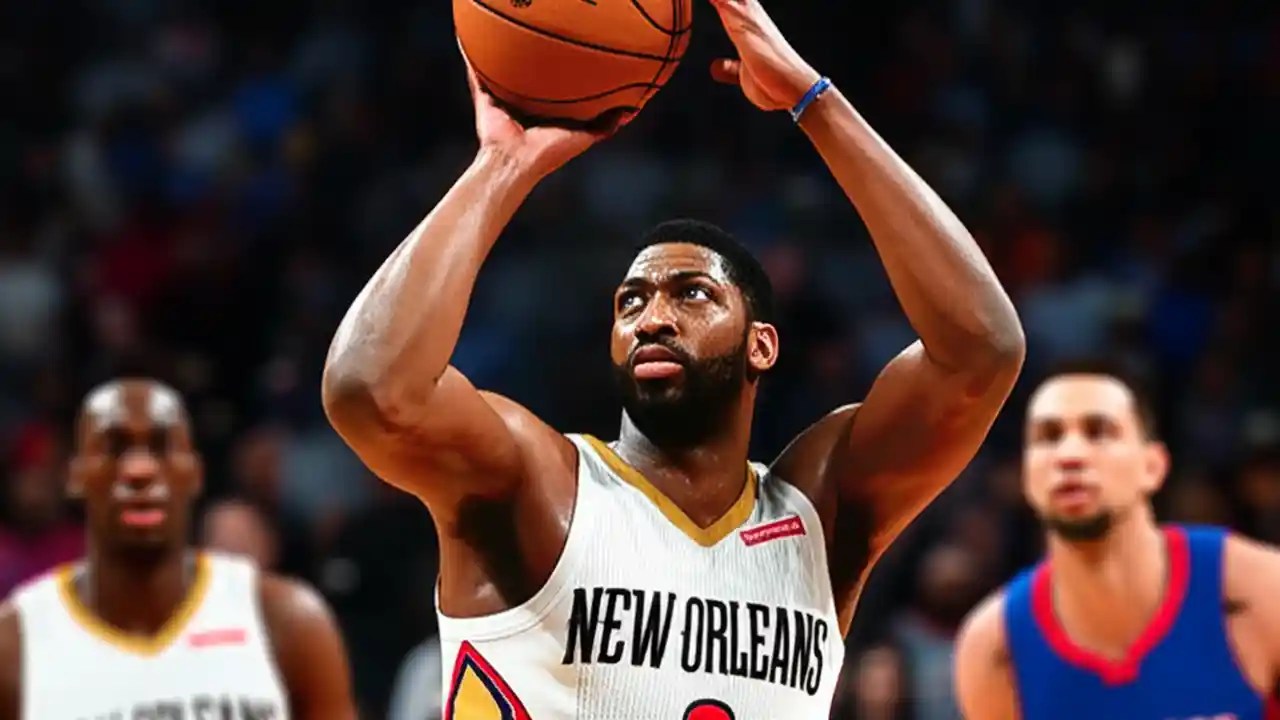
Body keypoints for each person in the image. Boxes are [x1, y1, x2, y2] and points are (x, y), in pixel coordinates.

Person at [322, 0, 1024, 716]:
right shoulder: (537, 489)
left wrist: (814, 100)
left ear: (763, 343)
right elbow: (371, 389)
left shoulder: (819, 514)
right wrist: (500, 166)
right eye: (630, 302)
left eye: (692, 294)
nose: (653, 317)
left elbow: (982, 350)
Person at [0, 379, 358, 720]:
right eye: (115, 448)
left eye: (160, 447)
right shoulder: (15, 645)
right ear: (75, 476)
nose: (139, 470)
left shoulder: (286, 620)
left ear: (195, 472)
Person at [953, 362, 1280, 719]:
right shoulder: (994, 648)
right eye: (1048, 436)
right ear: (1027, 476)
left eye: (1099, 432)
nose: (1070, 455)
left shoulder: (1260, 589)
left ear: (1153, 466)